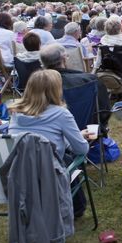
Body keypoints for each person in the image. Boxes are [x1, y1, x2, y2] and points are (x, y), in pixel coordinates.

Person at [8, 69, 92, 217]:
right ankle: (77, 209)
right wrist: (78, 137)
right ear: (56, 90)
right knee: (65, 159)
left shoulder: (15, 112)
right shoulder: (61, 114)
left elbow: (39, 136)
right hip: (48, 177)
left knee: (56, 155)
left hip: (17, 177)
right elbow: (81, 149)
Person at [39, 44, 111, 129]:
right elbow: (104, 111)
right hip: (87, 131)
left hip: (52, 133)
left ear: (42, 63)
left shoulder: (35, 86)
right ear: (64, 59)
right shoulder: (90, 81)